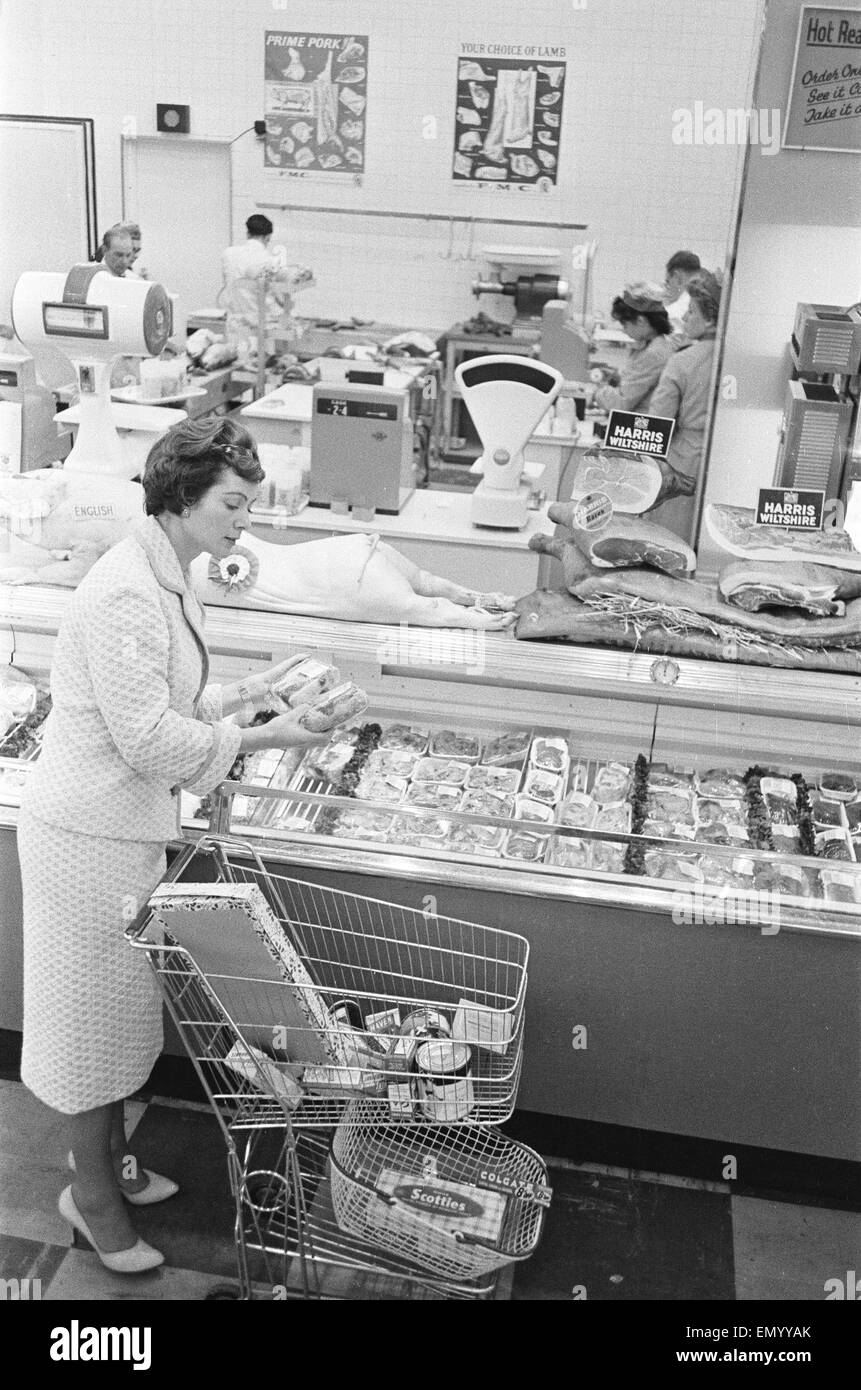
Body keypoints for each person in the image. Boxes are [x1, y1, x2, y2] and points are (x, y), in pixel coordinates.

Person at [17, 416, 325, 1273]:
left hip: (118, 831)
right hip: (85, 835)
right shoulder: (125, 586)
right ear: (182, 494)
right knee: (86, 1033)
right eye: (232, 503)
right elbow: (149, 740)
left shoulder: (165, 569)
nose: (242, 522)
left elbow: (167, 697)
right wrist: (273, 738)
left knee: (115, 1022)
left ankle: (108, 1166)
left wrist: (254, 691)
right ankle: (94, 1202)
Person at [646, 271, 722, 541]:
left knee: (671, 542)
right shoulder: (734, 360)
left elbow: (657, 425)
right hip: (723, 464)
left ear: (710, 318)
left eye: (691, 311)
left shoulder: (682, 362)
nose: (685, 318)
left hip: (684, 465)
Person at [594, 283, 676, 415]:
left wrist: (596, 391)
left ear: (641, 321)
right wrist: (616, 378)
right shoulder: (654, 345)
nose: (623, 330)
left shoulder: (654, 354)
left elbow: (620, 404)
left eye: (624, 324)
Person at [221, 214, 293, 360]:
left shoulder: (228, 254)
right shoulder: (269, 261)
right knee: (259, 372)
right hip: (259, 328)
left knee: (236, 369)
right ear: (267, 238)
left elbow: (229, 285)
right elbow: (270, 298)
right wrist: (288, 313)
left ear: (248, 233)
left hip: (235, 324)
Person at [662, 250, 701, 338]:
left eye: (668, 282)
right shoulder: (704, 299)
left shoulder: (672, 313)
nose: (667, 288)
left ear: (677, 277)